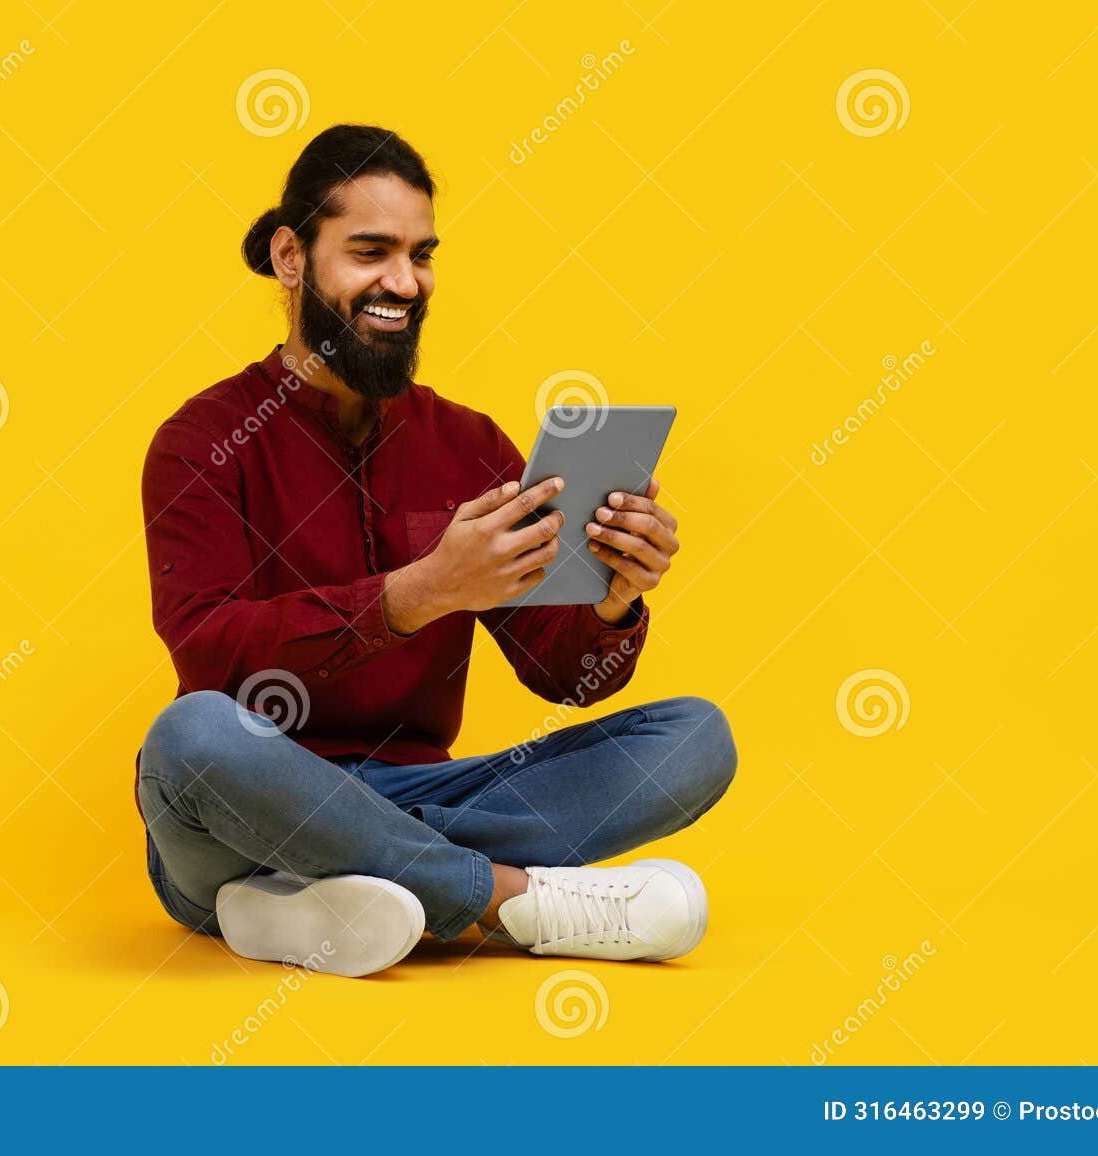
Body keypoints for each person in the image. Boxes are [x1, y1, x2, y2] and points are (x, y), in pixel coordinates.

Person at [135, 124, 737, 977]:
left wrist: (611, 599)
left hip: (427, 799)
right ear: (291, 256)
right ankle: (506, 902)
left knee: (695, 739)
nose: (403, 282)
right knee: (189, 738)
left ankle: (322, 899)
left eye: (421, 255)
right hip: (250, 806)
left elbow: (562, 676)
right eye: (371, 252)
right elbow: (208, 658)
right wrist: (414, 593)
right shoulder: (200, 441)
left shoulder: (471, 446)